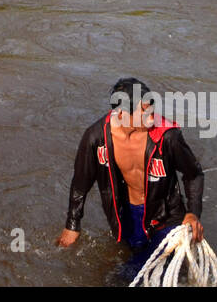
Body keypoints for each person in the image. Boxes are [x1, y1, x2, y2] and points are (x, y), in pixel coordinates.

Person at [56, 77, 205, 283]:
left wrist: (193, 213)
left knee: (127, 276)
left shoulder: (167, 137)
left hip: (167, 216)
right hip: (127, 218)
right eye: (145, 111)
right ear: (123, 114)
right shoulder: (95, 137)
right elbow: (81, 181)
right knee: (135, 259)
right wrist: (72, 225)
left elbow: (194, 174)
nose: (152, 115)